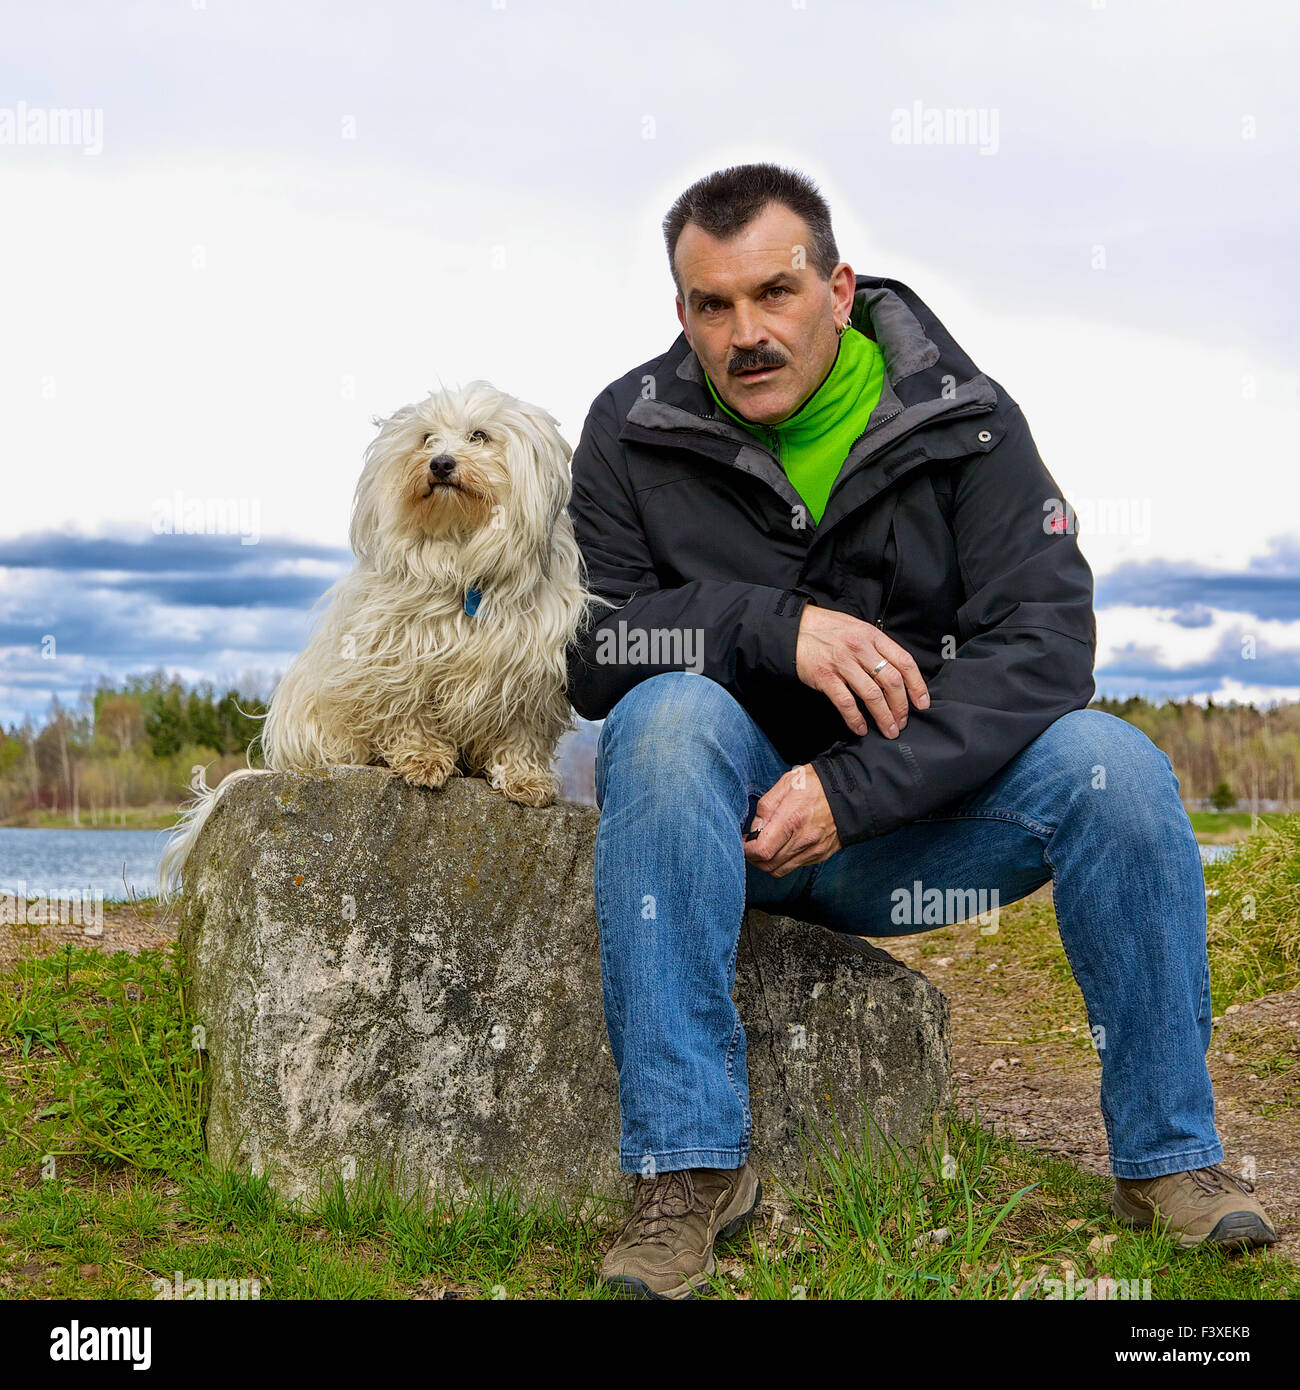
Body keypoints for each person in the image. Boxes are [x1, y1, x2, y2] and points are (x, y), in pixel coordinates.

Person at [565, 162, 1276, 1300]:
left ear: (839, 289)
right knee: (659, 716)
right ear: (681, 311)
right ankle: (689, 1171)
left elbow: (1044, 646)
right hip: (722, 822)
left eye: (775, 292)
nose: (745, 331)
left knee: (1115, 767)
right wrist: (764, 624)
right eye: (712, 304)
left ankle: (1167, 1159)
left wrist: (850, 791)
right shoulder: (628, 427)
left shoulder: (968, 421)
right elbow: (588, 649)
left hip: (914, 829)